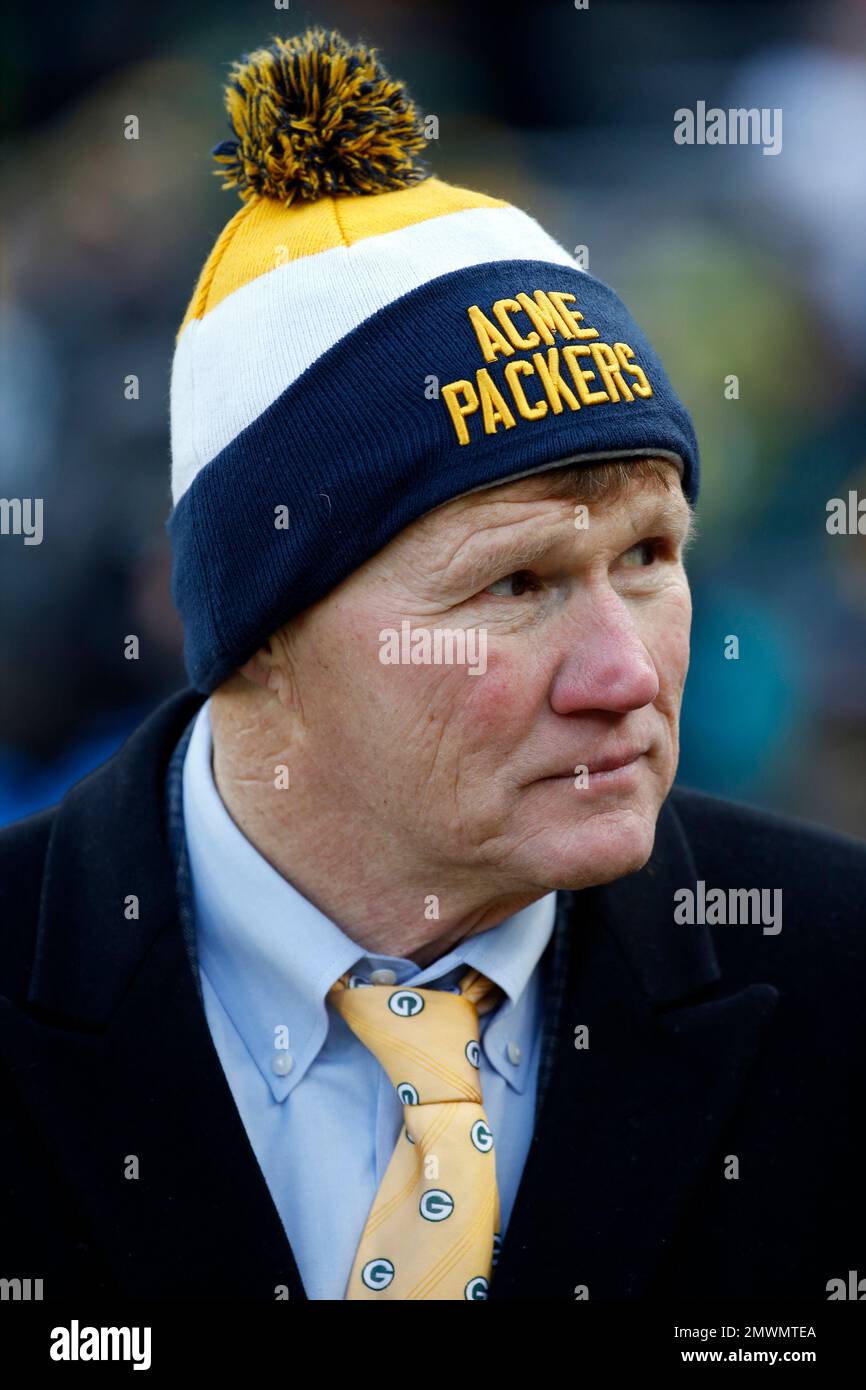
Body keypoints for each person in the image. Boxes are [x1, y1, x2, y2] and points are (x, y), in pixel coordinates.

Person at [1, 27, 864, 1304]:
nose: (623, 673)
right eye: (516, 585)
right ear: (262, 633)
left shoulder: (838, 981)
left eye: (647, 555)